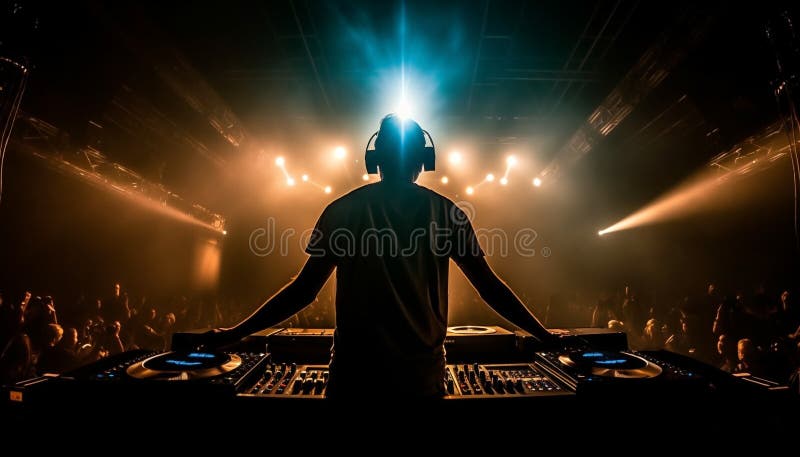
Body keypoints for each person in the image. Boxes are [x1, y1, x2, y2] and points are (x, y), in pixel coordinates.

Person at [189, 114, 555, 398]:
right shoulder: (447, 213)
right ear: (424, 160)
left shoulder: (342, 211)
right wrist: (543, 334)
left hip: (354, 380)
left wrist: (237, 332)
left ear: (373, 159)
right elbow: (489, 287)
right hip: (420, 382)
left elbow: (302, 291)